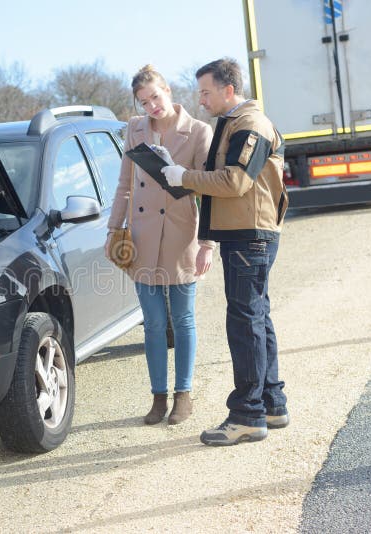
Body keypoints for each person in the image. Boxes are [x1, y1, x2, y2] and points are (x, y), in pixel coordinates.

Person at [161, 58, 289, 446]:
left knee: (245, 323)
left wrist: (184, 177)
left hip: (249, 236)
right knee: (256, 318)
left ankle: (247, 415)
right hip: (245, 233)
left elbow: (234, 181)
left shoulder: (250, 125)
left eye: (206, 92)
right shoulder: (235, 122)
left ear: (228, 90)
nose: (201, 100)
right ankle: (271, 404)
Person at [106, 64, 215, 425]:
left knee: (182, 320)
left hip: (182, 234)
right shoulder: (135, 129)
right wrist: (113, 229)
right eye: (144, 102)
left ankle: (183, 395)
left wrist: (207, 244)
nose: (152, 106)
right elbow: (124, 184)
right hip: (143, 237)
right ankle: (158, 397)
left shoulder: (198, 131)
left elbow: (209, 191)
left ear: (167, 90)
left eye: (155, 97)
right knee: (153, 323)